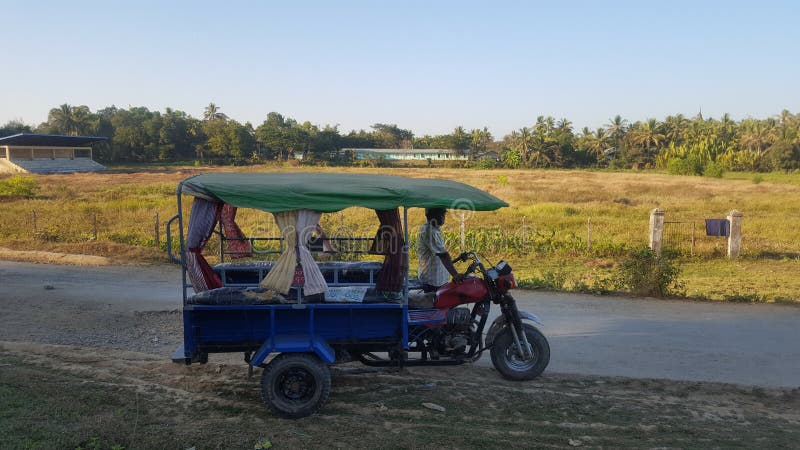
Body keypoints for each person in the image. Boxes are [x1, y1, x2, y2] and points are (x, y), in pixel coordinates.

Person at [417, 208, 464, 292]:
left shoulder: (434, 229)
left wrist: (458, 258)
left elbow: (439, 257)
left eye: (443, 214)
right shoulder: (430, 231)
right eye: (440, 214)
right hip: (432, 281)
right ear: (432, 216)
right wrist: (455, 275)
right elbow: (443, 255)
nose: (443, 217)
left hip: (438, 279)